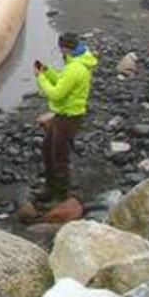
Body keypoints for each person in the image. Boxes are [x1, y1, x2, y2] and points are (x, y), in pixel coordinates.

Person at [34, 32, 98, 204]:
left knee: (59, 156)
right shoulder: (77, 61)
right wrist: (47, 72)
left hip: (69, 118)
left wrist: (40, 78)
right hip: (62, 116)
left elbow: (56, 94)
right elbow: (63, 81)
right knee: (48, 150)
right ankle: (50, 189)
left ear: (65, 49)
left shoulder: (75, 68)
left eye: (61, 49)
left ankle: (61, 195)